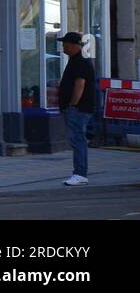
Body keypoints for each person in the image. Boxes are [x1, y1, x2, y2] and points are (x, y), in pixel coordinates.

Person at [57, 31, 96, 186]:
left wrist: (73, 105)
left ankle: (80, 173)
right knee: (78, 139)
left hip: (78, 109)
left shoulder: (80, 61)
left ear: (73, 45)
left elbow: (80, 85)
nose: (63, 47)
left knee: (78, 140)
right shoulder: (76, 60)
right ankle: (80, 173)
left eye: (65, 44)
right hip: (78, 108)